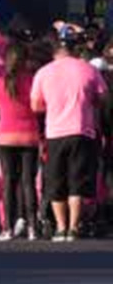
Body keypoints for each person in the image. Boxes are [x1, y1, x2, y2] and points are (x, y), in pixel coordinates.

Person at [31, 26, 108, 242]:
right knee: (77, 180)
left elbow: (36, 105)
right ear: (77, 48)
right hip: (82, 130)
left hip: (55, 131)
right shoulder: (88, 70)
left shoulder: (44, 72)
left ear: (55, 49)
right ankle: (74, 227)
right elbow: (102, 98)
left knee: (56, 181)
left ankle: (60, 227)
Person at [0, 42, 39, 241]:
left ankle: (7, 227)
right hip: (29, 135)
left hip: (5, 136)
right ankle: (32, 227)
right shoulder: (32, 81)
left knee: (9, 181)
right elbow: (38, 105)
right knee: (28, 182)